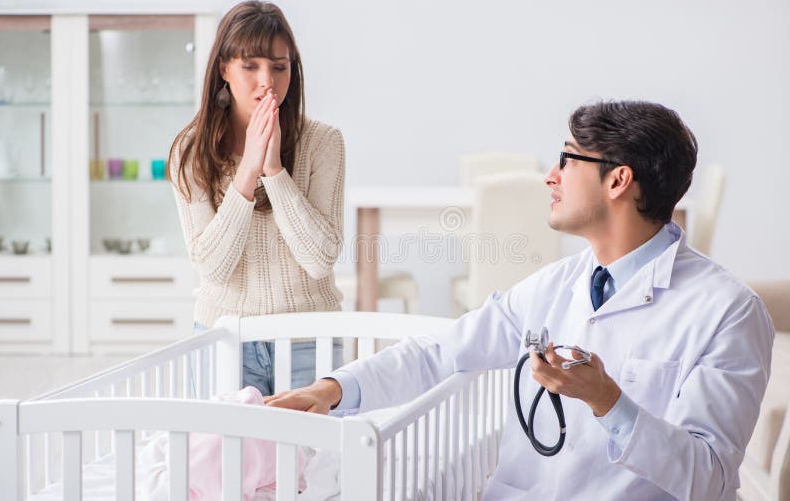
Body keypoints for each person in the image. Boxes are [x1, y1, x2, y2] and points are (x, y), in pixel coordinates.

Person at [266, 100, 775, 500]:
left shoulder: (728, 312)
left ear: (619, 180)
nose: (550, 177)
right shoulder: (554, 285)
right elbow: (439, 352)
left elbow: (708, 478)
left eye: (567, 160)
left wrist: (608, 401)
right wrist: (333, 388)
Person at [168, 0, 345, 398]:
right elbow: (212, 267)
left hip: (307, 338)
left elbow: (320, 259)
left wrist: (274, 172)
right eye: (250, 66)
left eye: (279, 67)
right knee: (223, 458)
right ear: (224, 69)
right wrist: (247, 169)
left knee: (311, 459)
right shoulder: (189, 150)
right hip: (226, 339)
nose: (267, 81)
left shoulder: (324, 143)